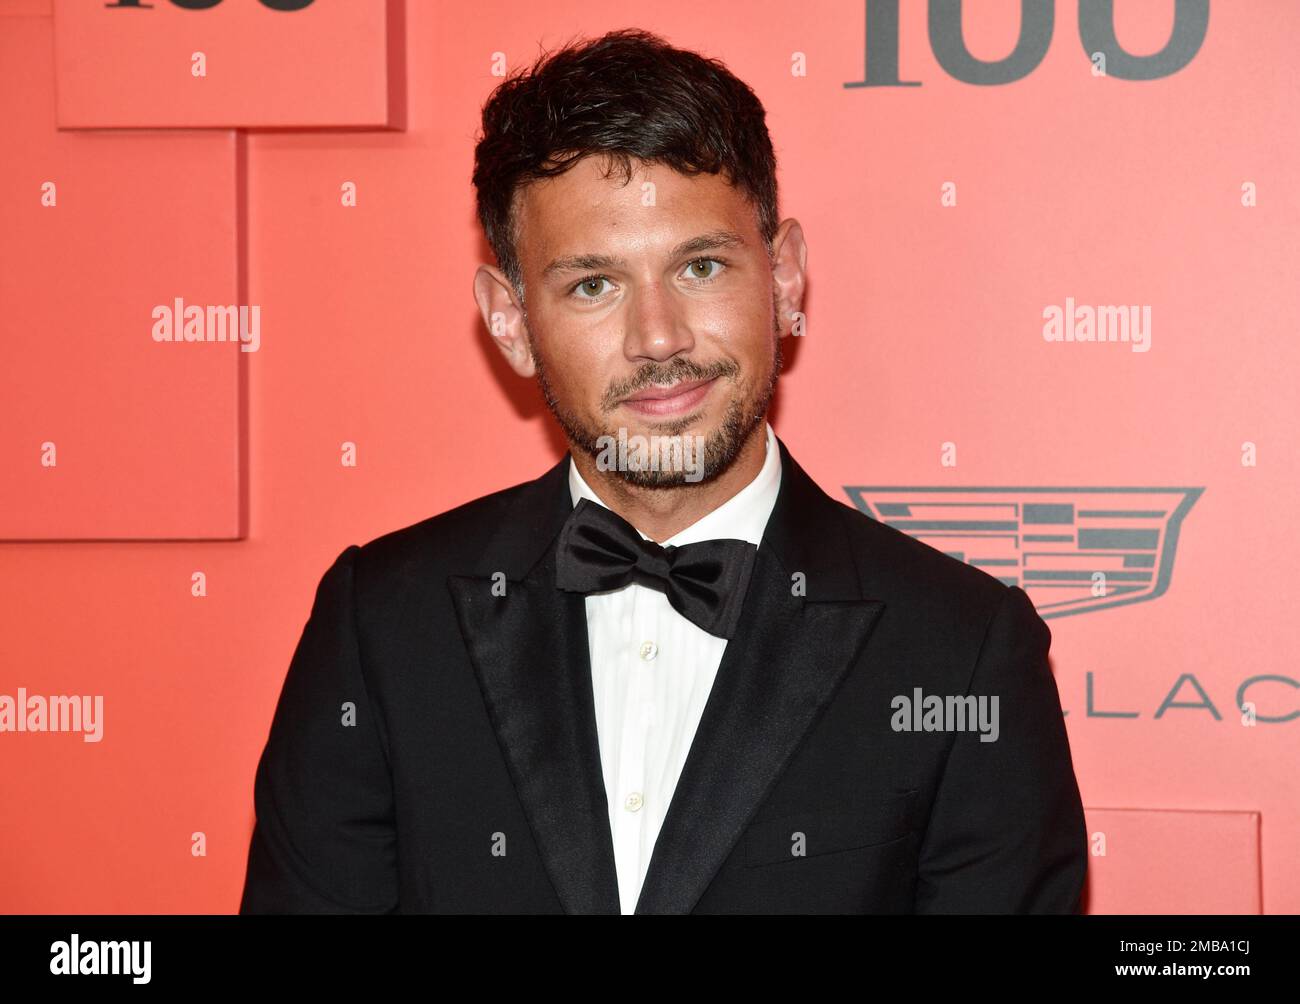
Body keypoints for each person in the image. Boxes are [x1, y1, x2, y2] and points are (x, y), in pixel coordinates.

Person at [239, 27, 1087, 915]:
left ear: (784, 278)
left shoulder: (962, 651)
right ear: (511, 322)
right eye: (593, 285)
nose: (658, 338)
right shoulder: (382, 624)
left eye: (701, 266)